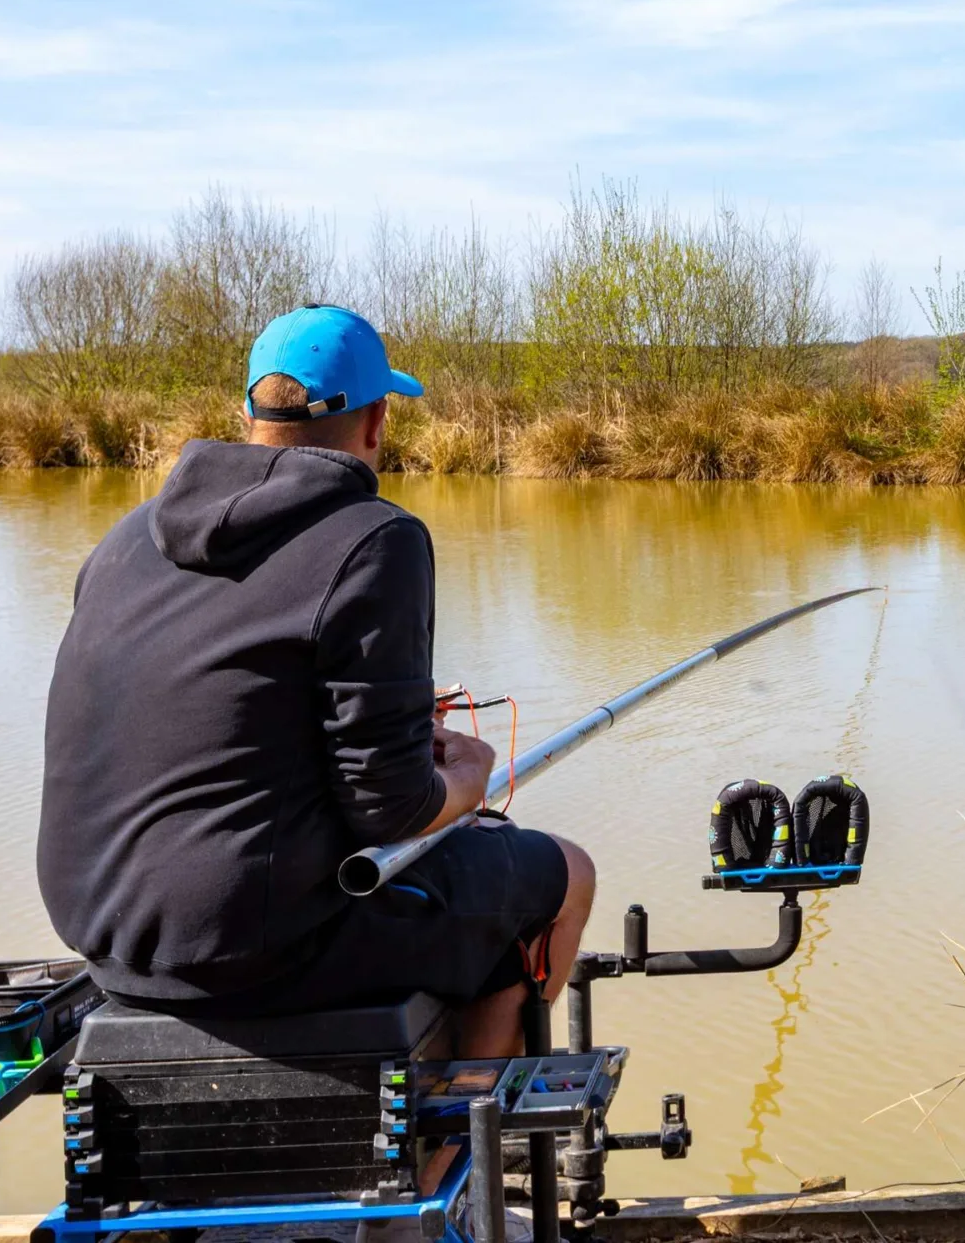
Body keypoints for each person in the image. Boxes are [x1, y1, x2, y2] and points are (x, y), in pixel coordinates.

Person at [37, 304, 595, 1057]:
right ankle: (460, 1150)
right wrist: (468, 777)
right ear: (376, 421)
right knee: (562, 874)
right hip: (258, 949)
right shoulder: (377, 538)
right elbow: (389, 808)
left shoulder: (124, 539)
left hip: (103, 940)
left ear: (249, 414)